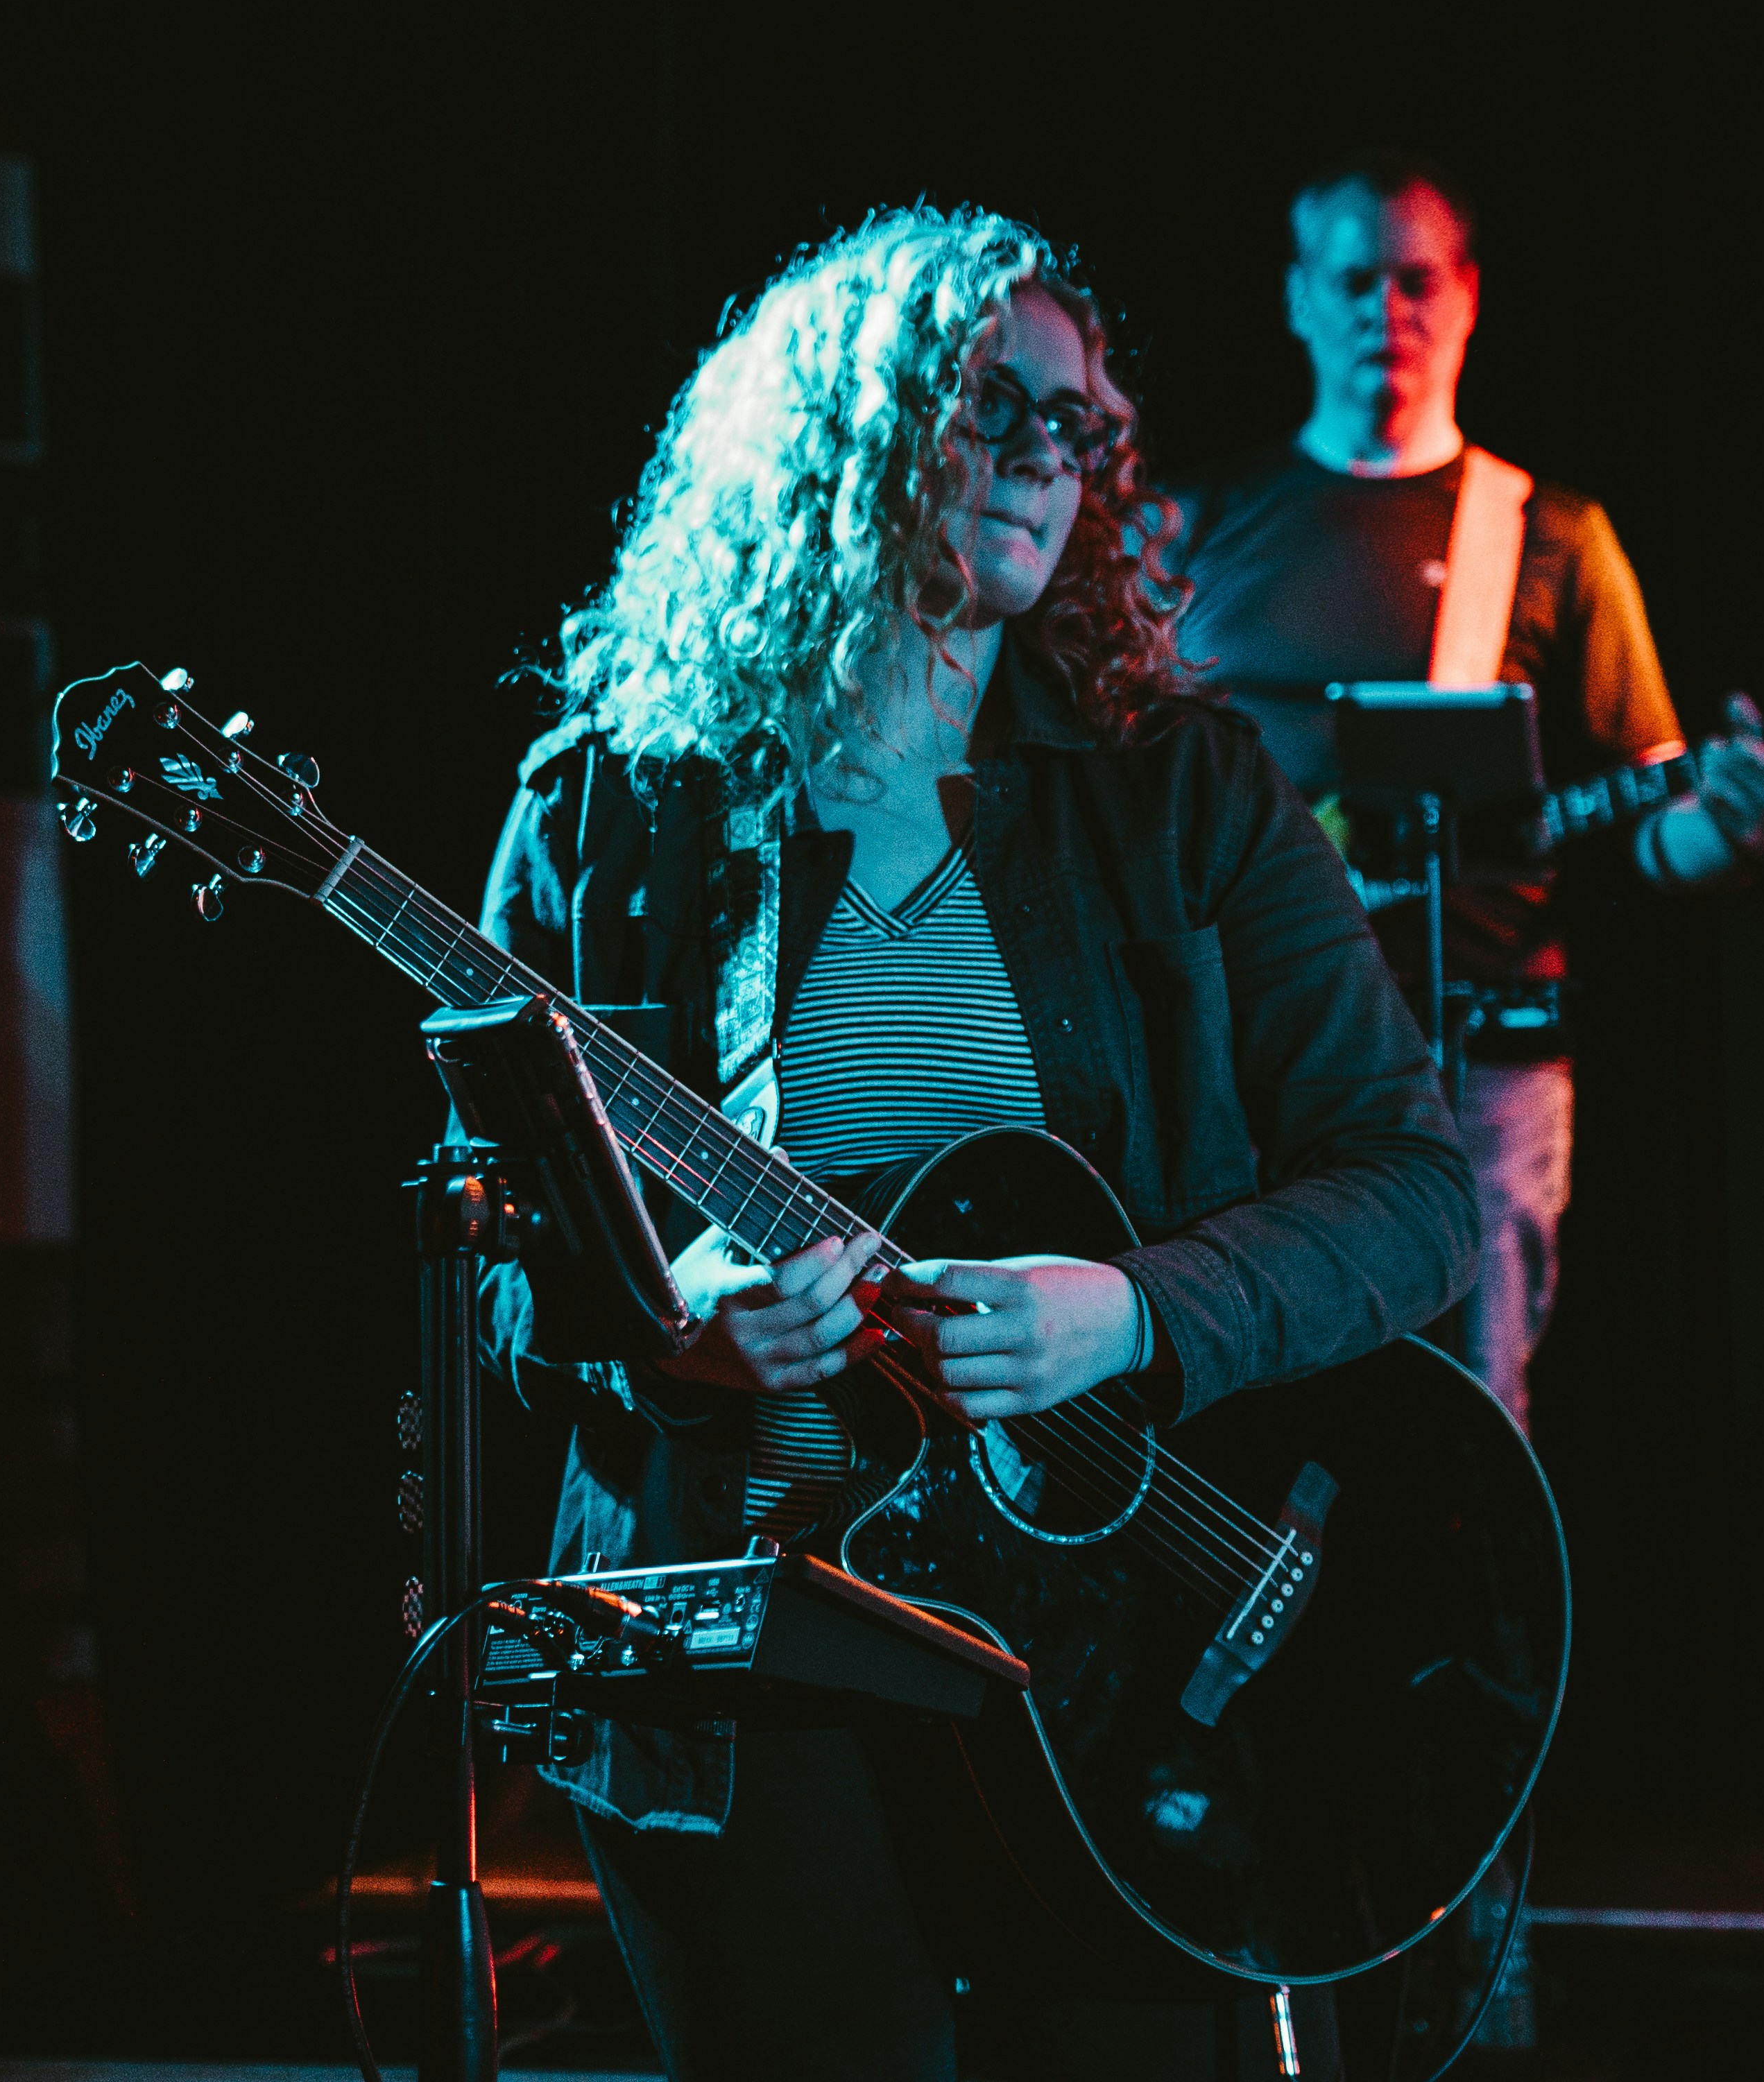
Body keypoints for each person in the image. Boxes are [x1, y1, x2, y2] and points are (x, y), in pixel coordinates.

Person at [474, 207, 1478, 2082]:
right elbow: (506, 1257)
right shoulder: (608, 810)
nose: (1046, 455)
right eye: (991, 403)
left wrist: (1132, 1313)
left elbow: (1421, 1199)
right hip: (742, 1638)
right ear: (837, 432)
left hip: (1119, 1653)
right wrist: (663, 1319)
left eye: (1079, 428)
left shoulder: (1187, 790)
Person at [1166, 152, 1764, 1429]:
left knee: (1457, 1439)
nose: (1384, 312)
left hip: (1469, 1067)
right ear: (1299, 298)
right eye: (1353, 281)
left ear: (1465, 297)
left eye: (1415, 281)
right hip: (1236, 1057)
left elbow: (1649, 824)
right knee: (1240, 1414)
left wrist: (1739, 833)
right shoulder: (1195, 523)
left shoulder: (1549, 535)